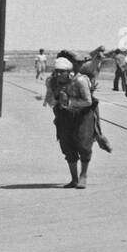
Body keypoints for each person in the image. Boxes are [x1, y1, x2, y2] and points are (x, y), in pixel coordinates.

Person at [43, 57, 97, 189]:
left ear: (69, 72)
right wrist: (57, 99)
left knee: (84, 146)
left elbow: (88, 101)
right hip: (63, 116)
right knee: (67, 146)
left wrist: (69, 102)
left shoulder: (80, 81)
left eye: (62, 72)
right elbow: (49, 100)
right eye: (57, 72)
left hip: (83, 115)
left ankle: (83, 176)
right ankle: (74, 179)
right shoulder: (52, 82)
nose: (59, 74)